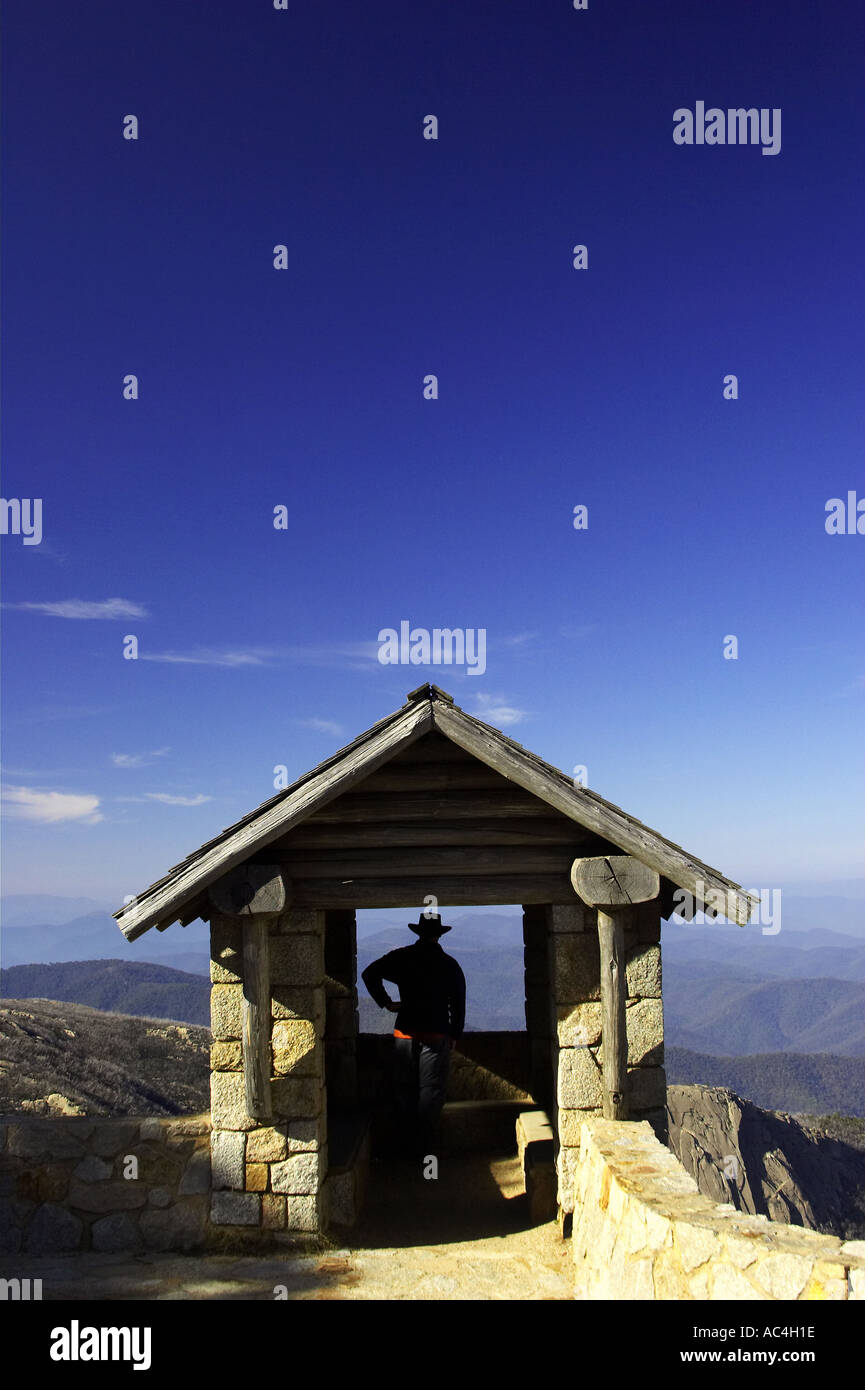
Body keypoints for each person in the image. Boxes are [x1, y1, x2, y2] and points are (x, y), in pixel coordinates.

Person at [361, 913, 466, 1159]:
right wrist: (455, 1033)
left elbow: (369, 974)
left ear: (418, 933)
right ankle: (425, 1148)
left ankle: (404, 1146)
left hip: (404, 1033)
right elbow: (458, 1004)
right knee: (430, 1090)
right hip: (436, 1033)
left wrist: (386, 1002)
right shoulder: (450, 965)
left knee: (404, 1089)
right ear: (439, 935)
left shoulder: (402, 958)